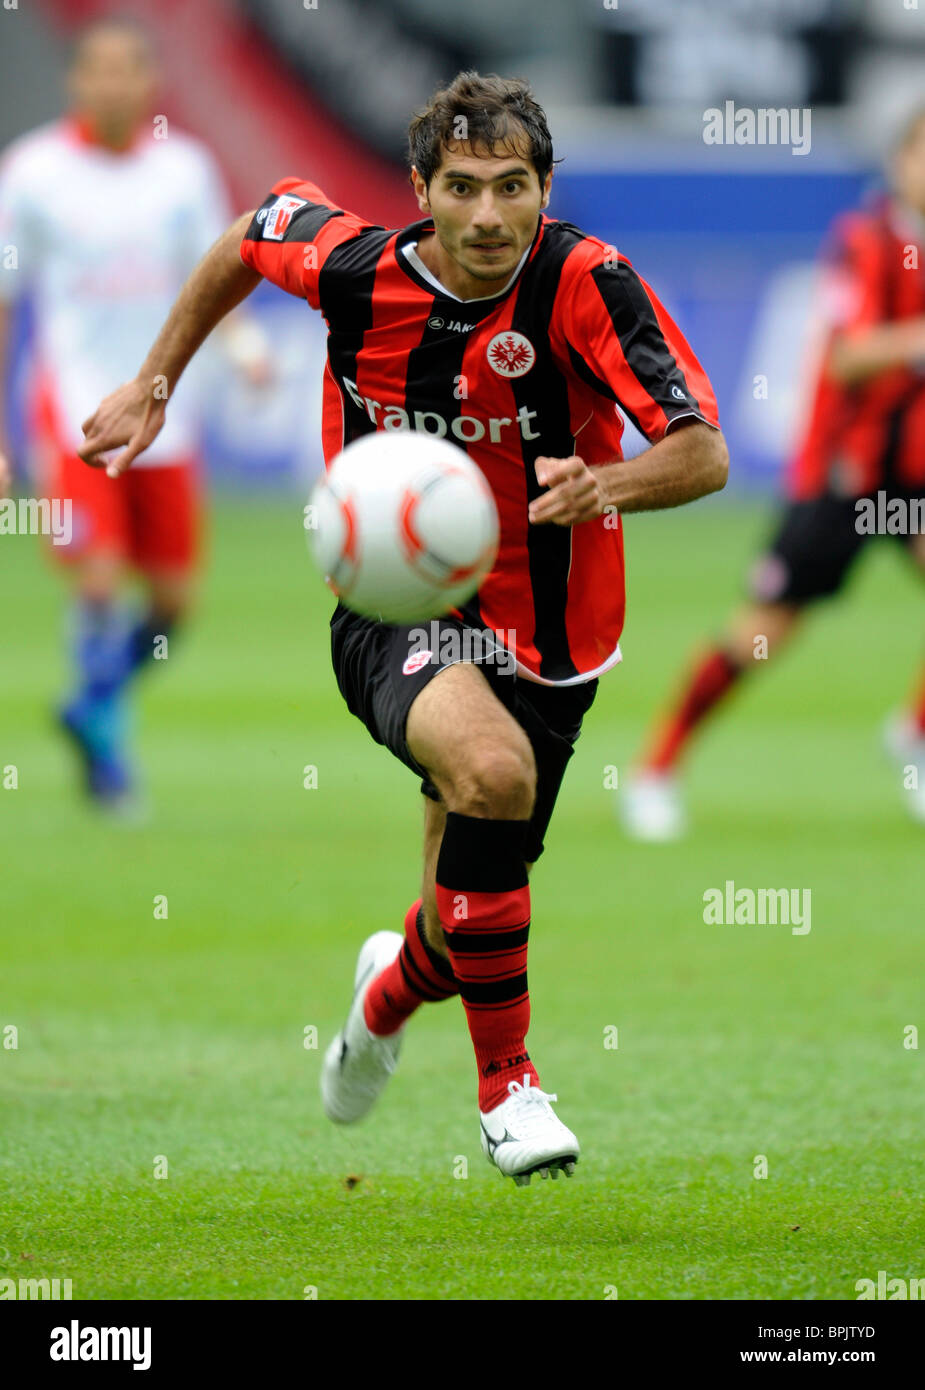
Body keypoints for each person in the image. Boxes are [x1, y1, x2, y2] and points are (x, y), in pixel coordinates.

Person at [77, 72, 727, 1185]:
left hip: (557, 638)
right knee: (489, 769)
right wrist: (155, 380)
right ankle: (508, 1088)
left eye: (511, 188)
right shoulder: (354, 269)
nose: (487, 216)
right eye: (462, 188)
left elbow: (701, 448)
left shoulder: (587, 282)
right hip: (394, 605)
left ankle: (384, 996)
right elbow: (248, 233)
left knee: (464, 897)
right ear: (419, 189)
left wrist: (604, 487)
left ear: (544, 187)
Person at [621, 105, 925, 840]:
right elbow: (847, 354)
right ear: (898, 161)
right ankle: (655, 769)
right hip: (845, 477)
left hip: (916, 477)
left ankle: (912, 734)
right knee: (762, 634)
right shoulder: (863, 243)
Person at [0, 19, 267, 810]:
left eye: (128, 72)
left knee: (172, 603)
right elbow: (7, 302)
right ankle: (108, 756)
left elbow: (215, 279)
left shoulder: (182, 171)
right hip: (74, 406)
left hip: (162, 415)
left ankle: (94, 701)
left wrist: (245, 344)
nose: (113, 86)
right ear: (77, 82)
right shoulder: (33, 172)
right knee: (100, 577)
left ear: (150, 85)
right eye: (98, 71)